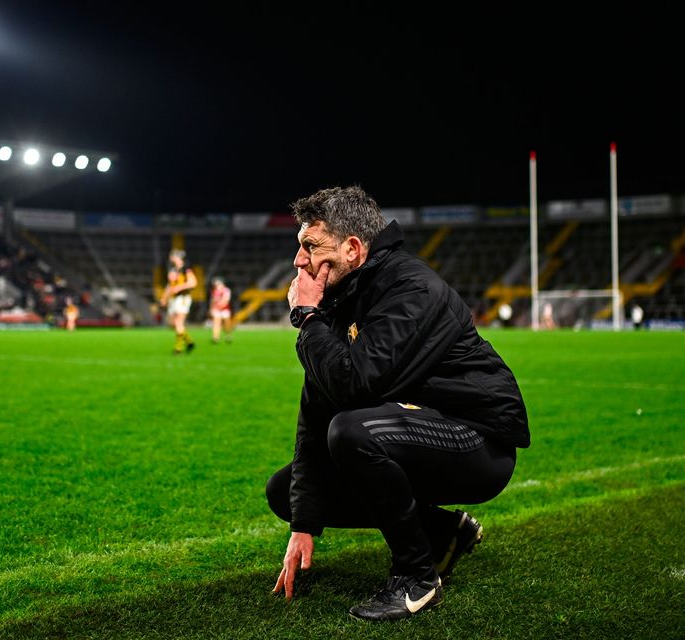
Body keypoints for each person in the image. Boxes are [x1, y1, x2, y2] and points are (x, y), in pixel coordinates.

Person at [266, 186, 529, 622]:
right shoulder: (344, 298)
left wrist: (307, 317)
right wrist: (303, 525)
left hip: (478, 440)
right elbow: (315, 412)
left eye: (310, 246)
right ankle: (443, 532)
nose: (298, 260)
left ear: (352, 248)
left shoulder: (412, 287)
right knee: (286, 492)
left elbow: (355, 388)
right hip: (415, 432)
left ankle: (417, 579)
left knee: (352, 431)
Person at [160, 249, 197, 354]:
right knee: (172, 323)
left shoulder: (186, 270)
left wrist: (180, 287)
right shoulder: (173, 270)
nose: (171, 257)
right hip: (174, 299)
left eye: (173, 255)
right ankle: (189, 342)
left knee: (178, 322)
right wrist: (164, 297)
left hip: (183, 297)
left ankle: (178, 348)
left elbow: (193, 283)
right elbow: (170, 286)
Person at [209, 277, 234, 344]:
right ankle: (215, 337)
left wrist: (219, 305)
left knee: (226, 324)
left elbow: (226, 300)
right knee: (216, 323)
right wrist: (211, 308)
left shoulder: (226, 290)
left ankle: (228, 335)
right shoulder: (214, 291)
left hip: (225, 309)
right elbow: (212, 300)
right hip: (216, 309)